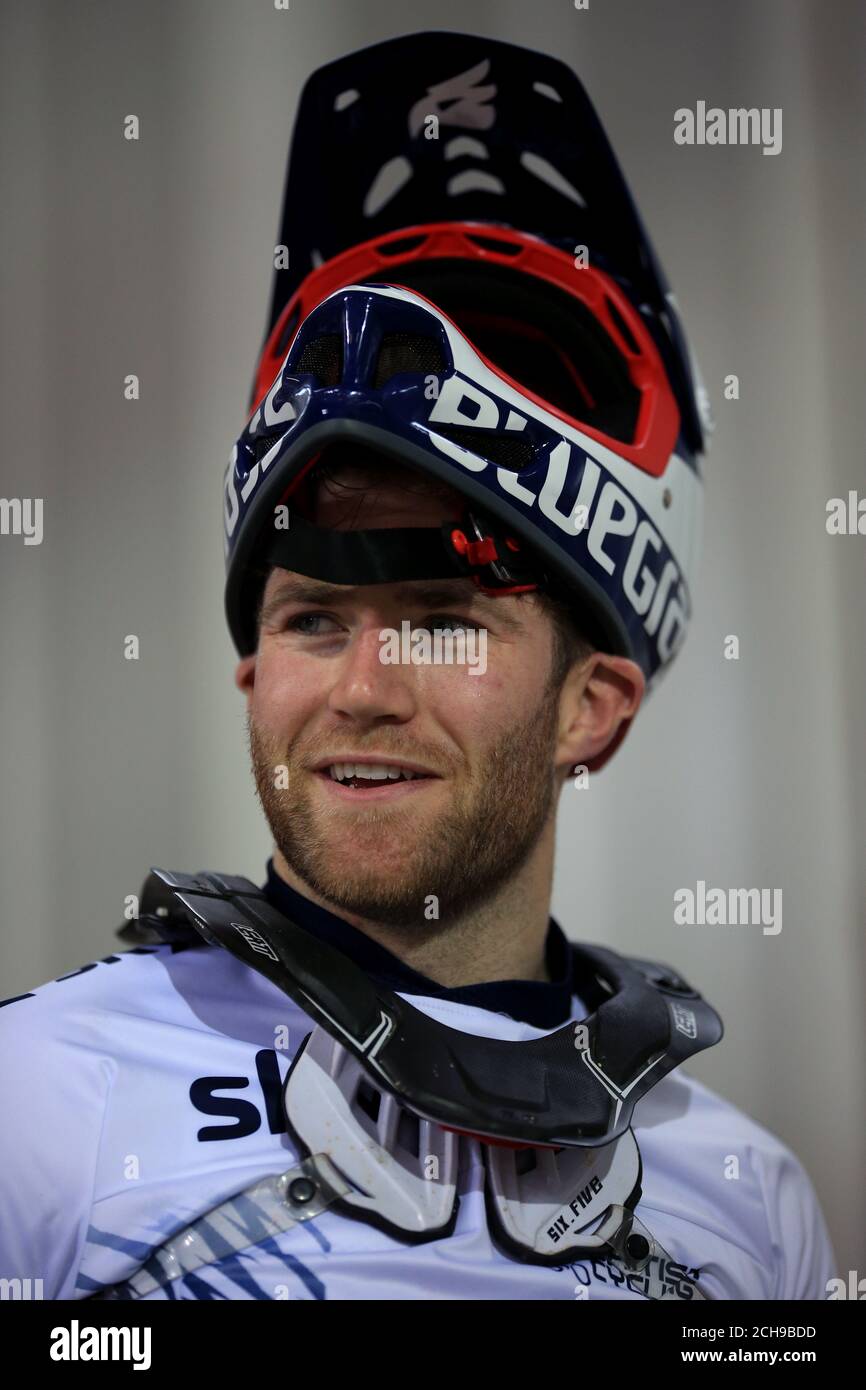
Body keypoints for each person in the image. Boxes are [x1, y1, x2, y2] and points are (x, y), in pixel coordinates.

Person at [0, 30, 837, 1302]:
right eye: (311, 620)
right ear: (250, 678)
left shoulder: (747, 1200)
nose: (360, 688)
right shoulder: (36, 1108)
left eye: (444, 617)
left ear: (592, 706)